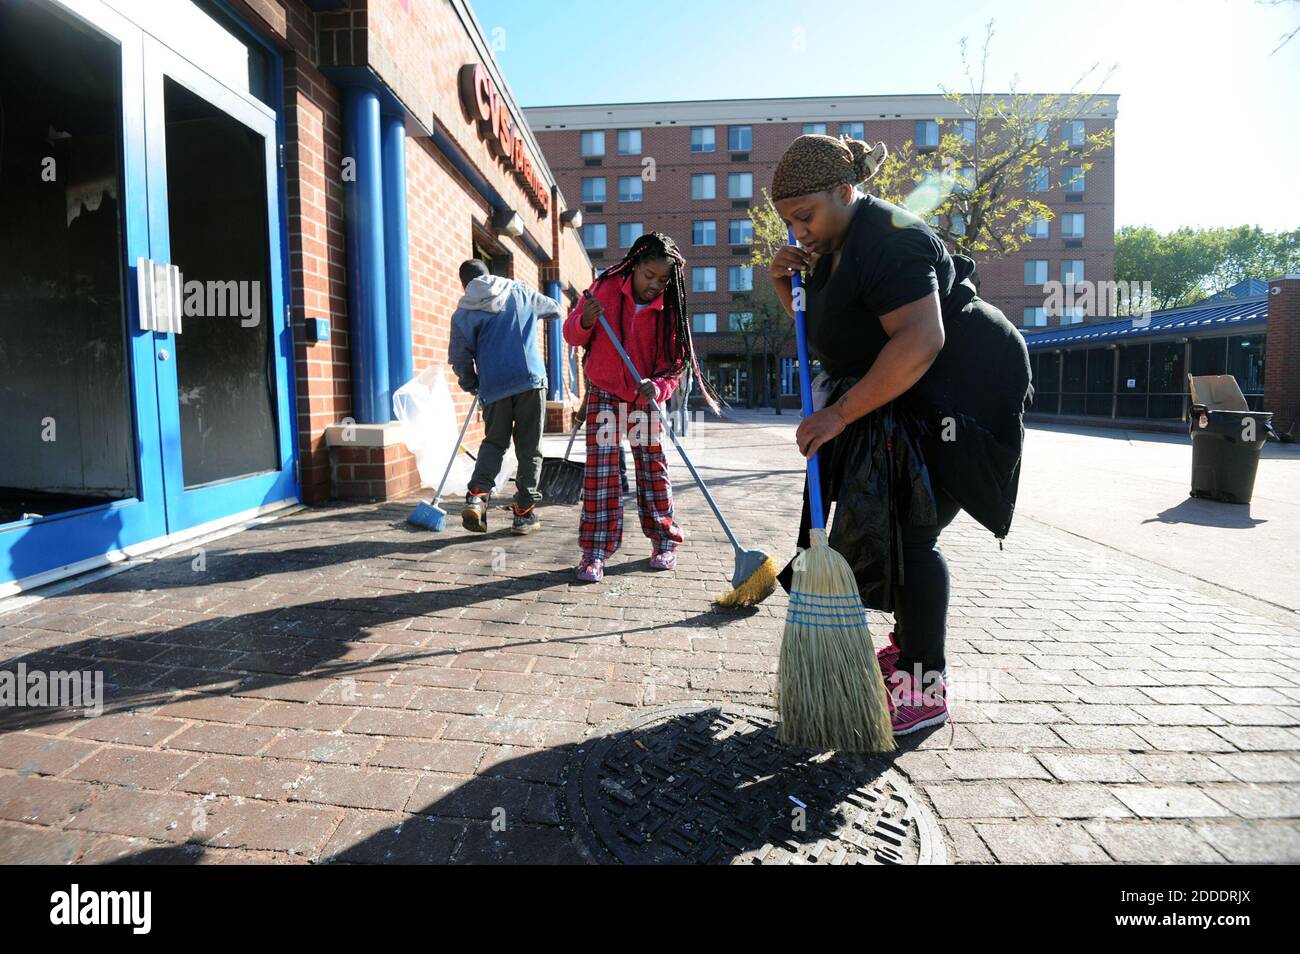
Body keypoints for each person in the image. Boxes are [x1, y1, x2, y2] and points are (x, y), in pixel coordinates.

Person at [768, 134, 1032, 736]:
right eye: (786, 221)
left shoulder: (892, 238)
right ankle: (909, 651)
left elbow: (919, 340)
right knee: (895, 526)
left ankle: (924, 686)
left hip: (960, 394)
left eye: (805, 216)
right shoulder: (833, 244)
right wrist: (789, 290)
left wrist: (838, 414)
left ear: (845, 190)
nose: (797, 231)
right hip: (905, 394)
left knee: (913, 535)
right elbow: (844, 334)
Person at [562, 232, 720, 582]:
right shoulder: (603, 288)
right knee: (601, 472)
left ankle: (665, 541)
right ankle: (595, 551)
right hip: (605, 389)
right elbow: (572, 335)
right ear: (634, 266)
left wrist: (659, 387)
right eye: (649, 275)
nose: (654, 285)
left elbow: (675, 365)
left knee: (652, 468)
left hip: (644, 395)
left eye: (662, 279)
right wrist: (585, 319)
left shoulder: (670, 307)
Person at [448, 259, 562, 535]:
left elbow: (459, 359)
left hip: (494, 387)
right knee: (529, 448)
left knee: (494, 443)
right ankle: (524, 514)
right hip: (530, 381)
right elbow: (555, 309)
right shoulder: (519, 291)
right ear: (490, 273)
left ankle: (477, 497)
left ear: (465, 283)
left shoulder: (463, 312)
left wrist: (472, 383)